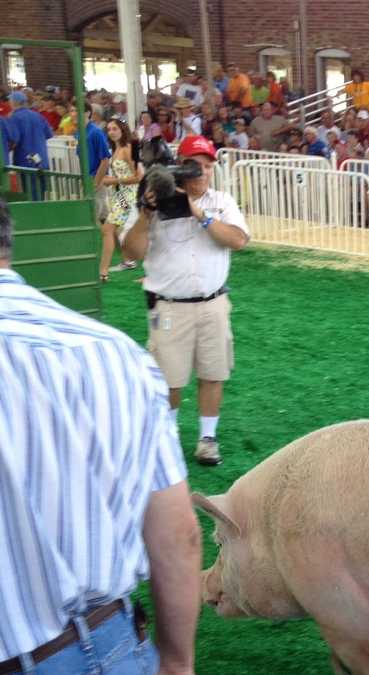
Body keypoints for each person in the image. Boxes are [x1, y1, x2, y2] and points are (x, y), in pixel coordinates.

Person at [0, 197, 202, 675]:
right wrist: (142, 212)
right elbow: (126, 237)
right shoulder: (125, 183)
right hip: (162, 296)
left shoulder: (208, 202)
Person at [119, 135, 250, 466]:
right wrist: (148, 214)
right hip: (167, 307)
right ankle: (167, 437)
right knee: (168, 378)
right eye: (195, 166)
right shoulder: (154, 203)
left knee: (213, 372)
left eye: (207, 166)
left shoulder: (222, 201)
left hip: (214, 303)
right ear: (180, 169)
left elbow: (237, 240)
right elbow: (130, 251)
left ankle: (208, 438)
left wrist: (200, 214)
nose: (202, 173)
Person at [99, 118, 142, 281]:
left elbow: (139, 177)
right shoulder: (116, 150)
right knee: (113, 230)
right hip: (120, 195)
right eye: (109, 129)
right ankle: (127, 261)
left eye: (114, 129)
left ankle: (103, 272)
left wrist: (114, 181)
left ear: (122, 130)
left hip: (128, 196)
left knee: (108, 229)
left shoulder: (127, 149)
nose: (111, 132)